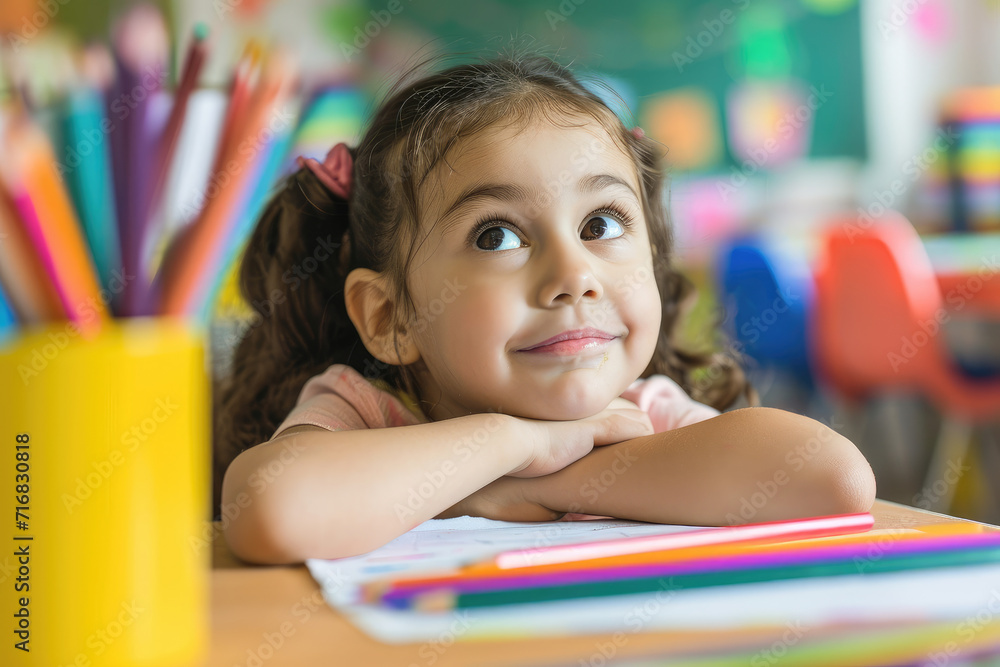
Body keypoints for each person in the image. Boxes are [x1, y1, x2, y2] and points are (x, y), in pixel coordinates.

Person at [215, 54, 876, 565]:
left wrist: (539, 486)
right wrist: (520, 443)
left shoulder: (640, 413)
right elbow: (266, 506)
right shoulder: (366, 412)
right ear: (389, 316)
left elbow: (833, 477)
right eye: (496, 235)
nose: (573, 275)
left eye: (601, 223)